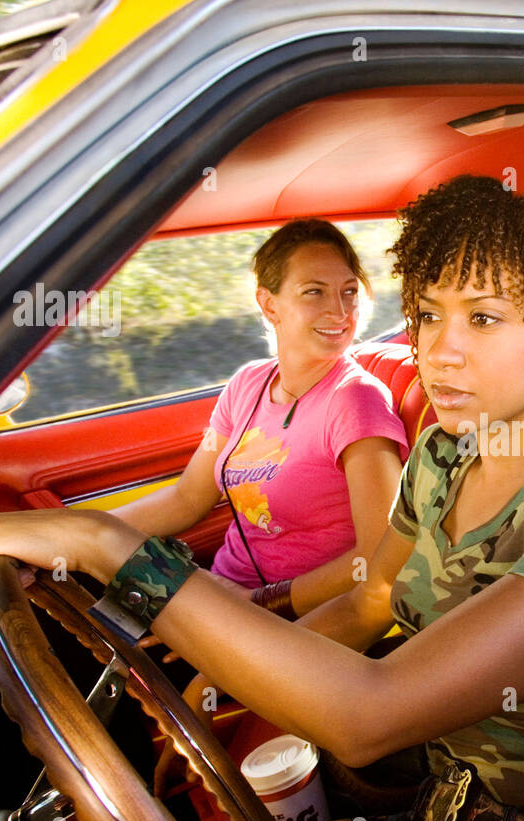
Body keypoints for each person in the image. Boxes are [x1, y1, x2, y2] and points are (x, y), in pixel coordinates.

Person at [0, 175, 524, 821]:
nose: (438, 351)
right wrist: (215, 693)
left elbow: (371, 715)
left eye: (482, 318)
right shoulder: (446, 453)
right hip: (424, 816)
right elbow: (370, 599)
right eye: (426, 314)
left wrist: (103, 546)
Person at [98, 219, 409, 791]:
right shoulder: (246, 385)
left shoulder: (356, 401)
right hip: (210, 591)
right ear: (269, 304)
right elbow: (188, 498)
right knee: (76, 636)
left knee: (115, 712)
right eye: (313, 291)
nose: (339, 310)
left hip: (277, 618)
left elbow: (381, 559)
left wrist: (259, 605)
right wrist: (76, 535)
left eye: (349, 291)